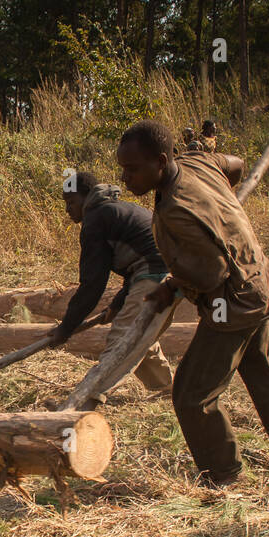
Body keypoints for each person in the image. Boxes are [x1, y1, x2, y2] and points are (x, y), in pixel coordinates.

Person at [116, 119, 269, 487]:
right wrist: (221, 204)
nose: (126, 178)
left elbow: (211, 272)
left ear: (160, 161)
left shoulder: (176, 208)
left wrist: (172, 285)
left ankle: (223, 474)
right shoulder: (198, 163)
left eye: (133, 169)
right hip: (258, 278)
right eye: (123, 169)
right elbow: (234, 164)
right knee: (257, 360)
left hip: (233, 301)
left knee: (192, 393)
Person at [48, 172, 173, 409]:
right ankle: (166, 389)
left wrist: (66, 329)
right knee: (140, 332)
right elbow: (133, 270)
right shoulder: (117, 211)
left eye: (71, 202)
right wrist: (115, 306)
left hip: (155, 276)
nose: (67, 209)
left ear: (86, 198)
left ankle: (82, 404)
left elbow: (92, 285)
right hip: (168, 274)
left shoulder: (96, 219)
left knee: (124, 337)